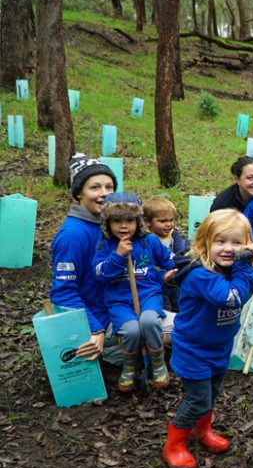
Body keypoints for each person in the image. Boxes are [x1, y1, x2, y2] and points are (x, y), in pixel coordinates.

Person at [163, 209, 253, 468]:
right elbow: (232, 298)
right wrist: (245, 268)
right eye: (220, 241)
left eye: (237, 243)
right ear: (205, 242)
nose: (228, 249)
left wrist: (248, 265)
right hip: (194, 349)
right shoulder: (201, 275)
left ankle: (202, 431)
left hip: (219, 346)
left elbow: (242, 286)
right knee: (198, 400)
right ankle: (174, 445)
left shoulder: (227, 269)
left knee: (212, 395)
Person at [93, 193, 177, 392]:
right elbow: (100, 274)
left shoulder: (149, 241)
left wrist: (170, 272)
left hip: (148, 296)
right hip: (119, 302)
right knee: (131, 330)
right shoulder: (105, 245)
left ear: (138, 221)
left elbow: (169, 260)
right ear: (107, 223)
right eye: (117, 221)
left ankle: (157, 360)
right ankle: (129, 365)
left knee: (149, 321)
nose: (124, 226)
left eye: (129, 220)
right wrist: (118, 256)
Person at [50, 154, 117, 361]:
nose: (104, 194)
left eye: (109, 187)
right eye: (95, 187)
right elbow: (62, 293)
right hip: (99, 320)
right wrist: (95, 329)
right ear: (79, 193)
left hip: (117, 308)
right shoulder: (73, 235)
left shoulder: (110, 224)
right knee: (175, 332)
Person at [143, 196, 189, 313]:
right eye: (163, 221)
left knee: (178, 299)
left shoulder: (174, 235)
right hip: (157, 279)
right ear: (147, 222)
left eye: (171, 220)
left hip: (174, 275)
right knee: (164, 304)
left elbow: (179, 253)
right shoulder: (145, 239)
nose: (169, 224)